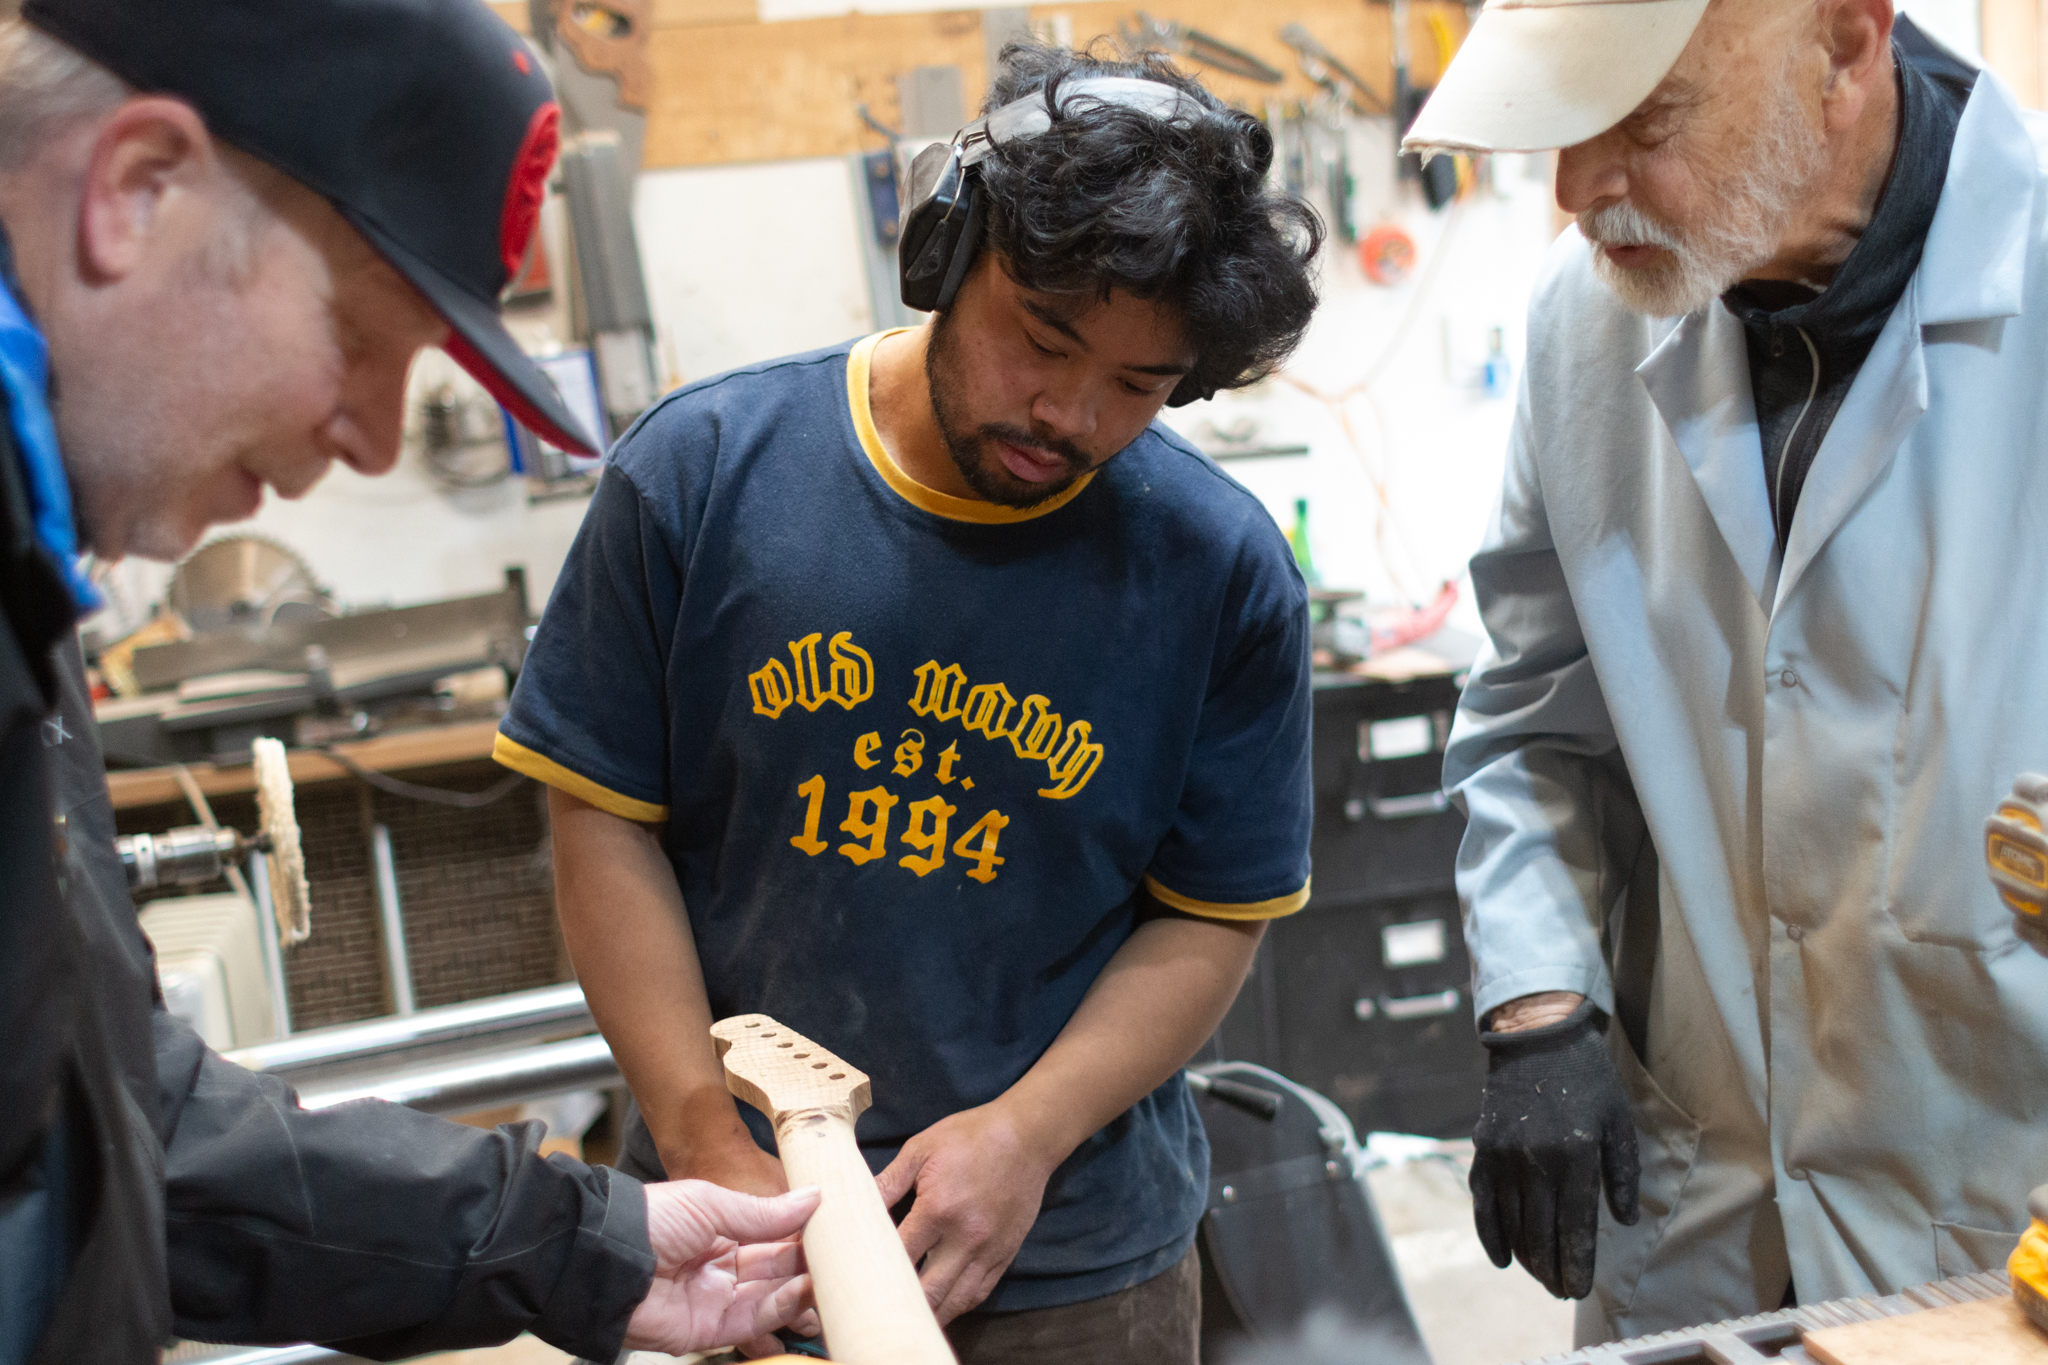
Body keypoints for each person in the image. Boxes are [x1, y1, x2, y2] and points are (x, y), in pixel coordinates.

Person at [0, 1, 826, 1361]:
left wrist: (590, 1248)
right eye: (363, 337)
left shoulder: (33, 574)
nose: (379, 440)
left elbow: (124, 1128)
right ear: (139, 192)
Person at [490, 41, 1322, 1362]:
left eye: (1139, 384)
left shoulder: (1219, 570)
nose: (1069, 413)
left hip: (1072, 1262)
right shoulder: (699, 481)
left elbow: (1210, 919)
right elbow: (604, 827)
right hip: (734, 1230)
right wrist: (707, 1131)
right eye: (1043, 338)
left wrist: (1027, 1133)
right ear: (949, 253)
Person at [1402, 0, 2048, 1344]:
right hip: (1699, 1215)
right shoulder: (1590, 320)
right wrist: (1538, 1003)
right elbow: (1531, 717)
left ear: (1848, 44)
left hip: (1995, 1224)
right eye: (1559, 133)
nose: (1576, 191)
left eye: (1644, 120)